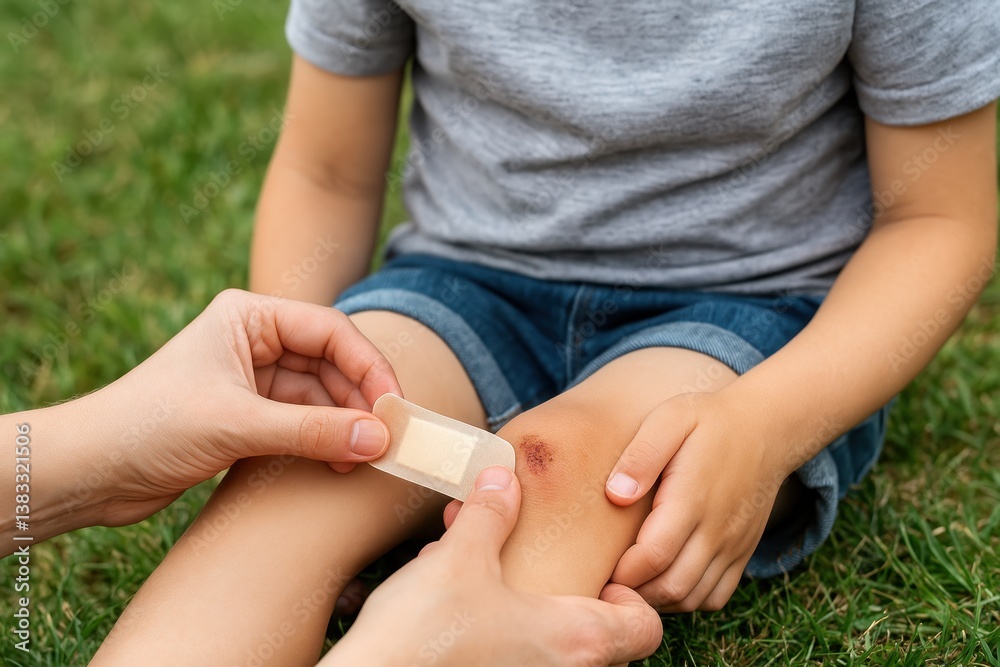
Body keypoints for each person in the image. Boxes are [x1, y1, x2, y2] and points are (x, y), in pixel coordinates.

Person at [96, 0, 1000, 664]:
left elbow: (939, 218)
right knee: (298, 481)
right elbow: (326, 170)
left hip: (746, 309)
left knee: (561, 469)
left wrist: (766, 425)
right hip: (461, 283)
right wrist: (298, 360)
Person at [1, 289, 661, 666]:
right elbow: (326, 173)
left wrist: (750, 418)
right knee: (283, 504)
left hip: (694, 314)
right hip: (450, 294)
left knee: (552, 472)